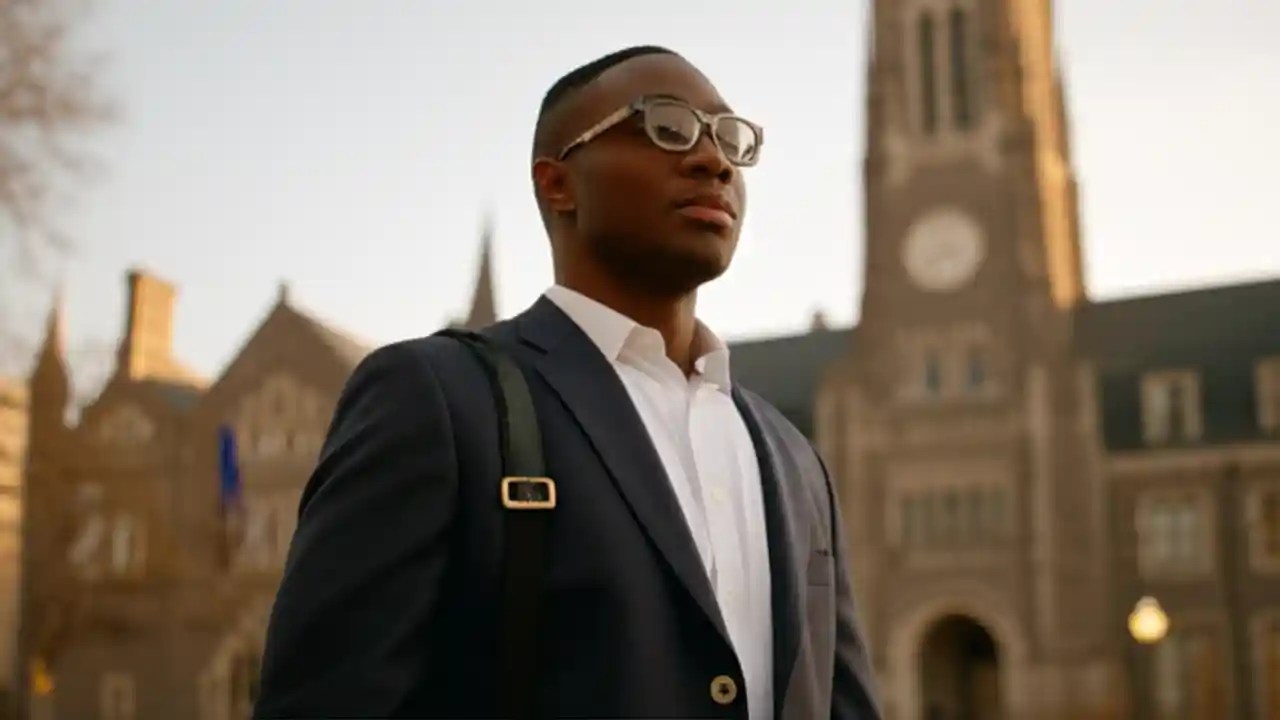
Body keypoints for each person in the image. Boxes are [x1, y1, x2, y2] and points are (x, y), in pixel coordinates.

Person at [253, 45, 881, 719]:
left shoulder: (793, 457)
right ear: (558, 183)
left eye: (731, 140)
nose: (714, 160)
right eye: (667, 127)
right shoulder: (436, 398)